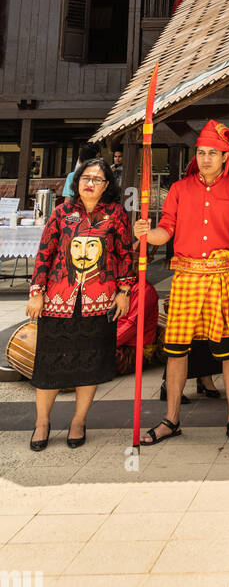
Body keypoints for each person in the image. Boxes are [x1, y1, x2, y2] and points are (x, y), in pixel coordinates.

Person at [133, 119, 229, 447]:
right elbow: (166, 229)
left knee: (228, 350)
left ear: (226, 157)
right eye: (201, 152)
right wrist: (146, 235)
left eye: (213, 153)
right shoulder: (180, 189)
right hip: (186, 278)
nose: (206, 158)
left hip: (221, 277)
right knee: (177, 351)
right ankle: (171, 420)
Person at [26, 156, 133, 449]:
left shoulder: (116, 214)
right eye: (85, 178)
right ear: (77, 182)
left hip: (99, 300)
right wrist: (37, 292)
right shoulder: (61, 213)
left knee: (90, 362)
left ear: (106, 185)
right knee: (49, 362)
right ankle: (42, 422)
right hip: (58, 298)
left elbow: (125, 254)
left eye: (97, 179)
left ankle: (78, 421)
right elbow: (44, 253)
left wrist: (124, 291)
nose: (89, 184)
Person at [114, 276, 160, 375]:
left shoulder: (144, 290)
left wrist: (106, 343)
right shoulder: (115, 285)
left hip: (134, 348)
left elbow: (132, 325)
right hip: (117, 341)